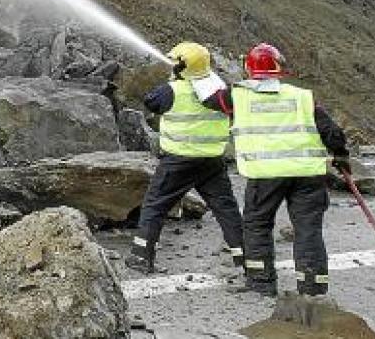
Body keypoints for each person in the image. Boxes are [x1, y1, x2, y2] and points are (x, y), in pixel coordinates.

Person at [231, 43, 350, 297]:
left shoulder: (238, 96)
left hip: (265, 175)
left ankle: (261, 284)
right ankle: (312, 287)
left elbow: (210, 99)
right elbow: (331, 131)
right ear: (278, 68)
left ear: (249, 69)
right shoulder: (302, 97)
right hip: (308, 175)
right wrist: (341, 156)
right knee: (308, 229)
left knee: (257, 225)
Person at [126, 42, 245, 274]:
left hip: (178, 161)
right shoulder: (218, 88)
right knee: (226, 209)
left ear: (181, 66)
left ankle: (141, 257)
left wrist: (172, 84)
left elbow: (151, 101)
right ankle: (245, 258)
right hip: (212, 161)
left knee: (154, 205)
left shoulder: (172, 91)